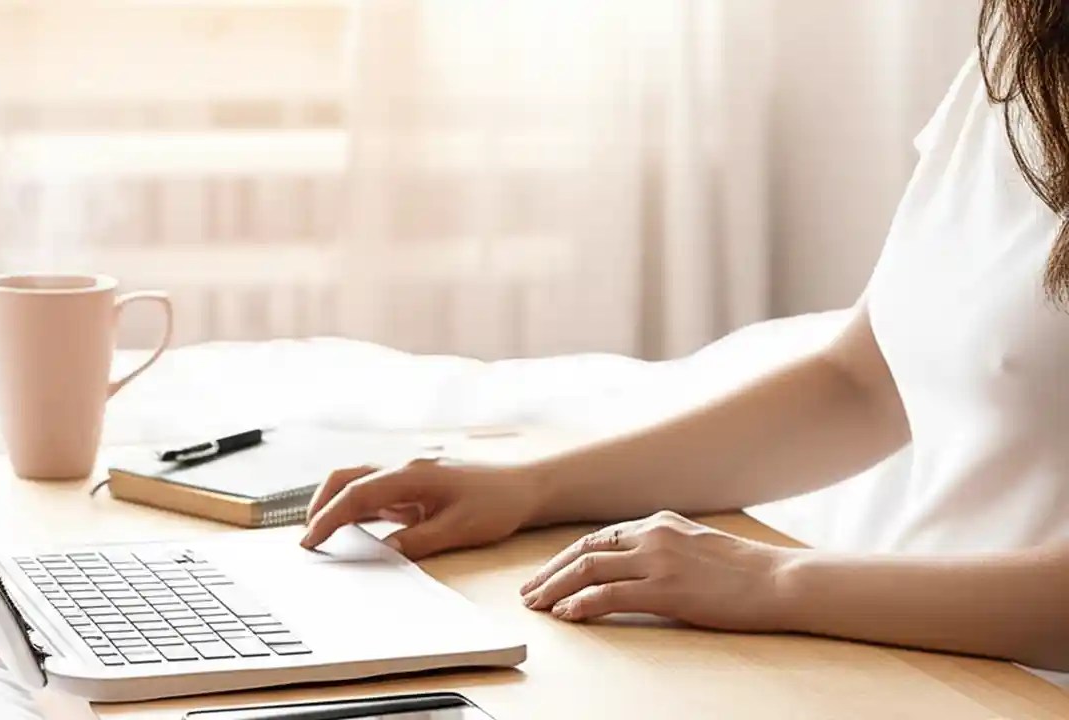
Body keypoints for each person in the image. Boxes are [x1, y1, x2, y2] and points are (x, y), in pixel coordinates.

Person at [300, 0, 1069, 678]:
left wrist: (772, 581)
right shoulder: (1017, 53)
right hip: (916, 662)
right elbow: (862, 382)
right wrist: (531, 487)